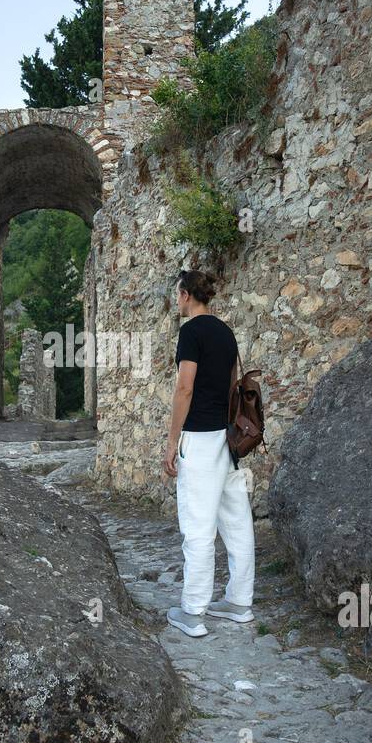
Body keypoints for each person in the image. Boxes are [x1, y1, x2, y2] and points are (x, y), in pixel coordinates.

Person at [162, 269, 256, 637]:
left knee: (198, 526)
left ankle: (194, 611)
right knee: (235, 520)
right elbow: (233, 384)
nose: (176, 301)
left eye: (177, 294)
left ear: (186, 295)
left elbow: (184, 388)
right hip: (227, 437)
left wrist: (172, 442)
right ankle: (239, 602)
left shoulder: (191, 332)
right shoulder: (225, 332)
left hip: (199, 439)